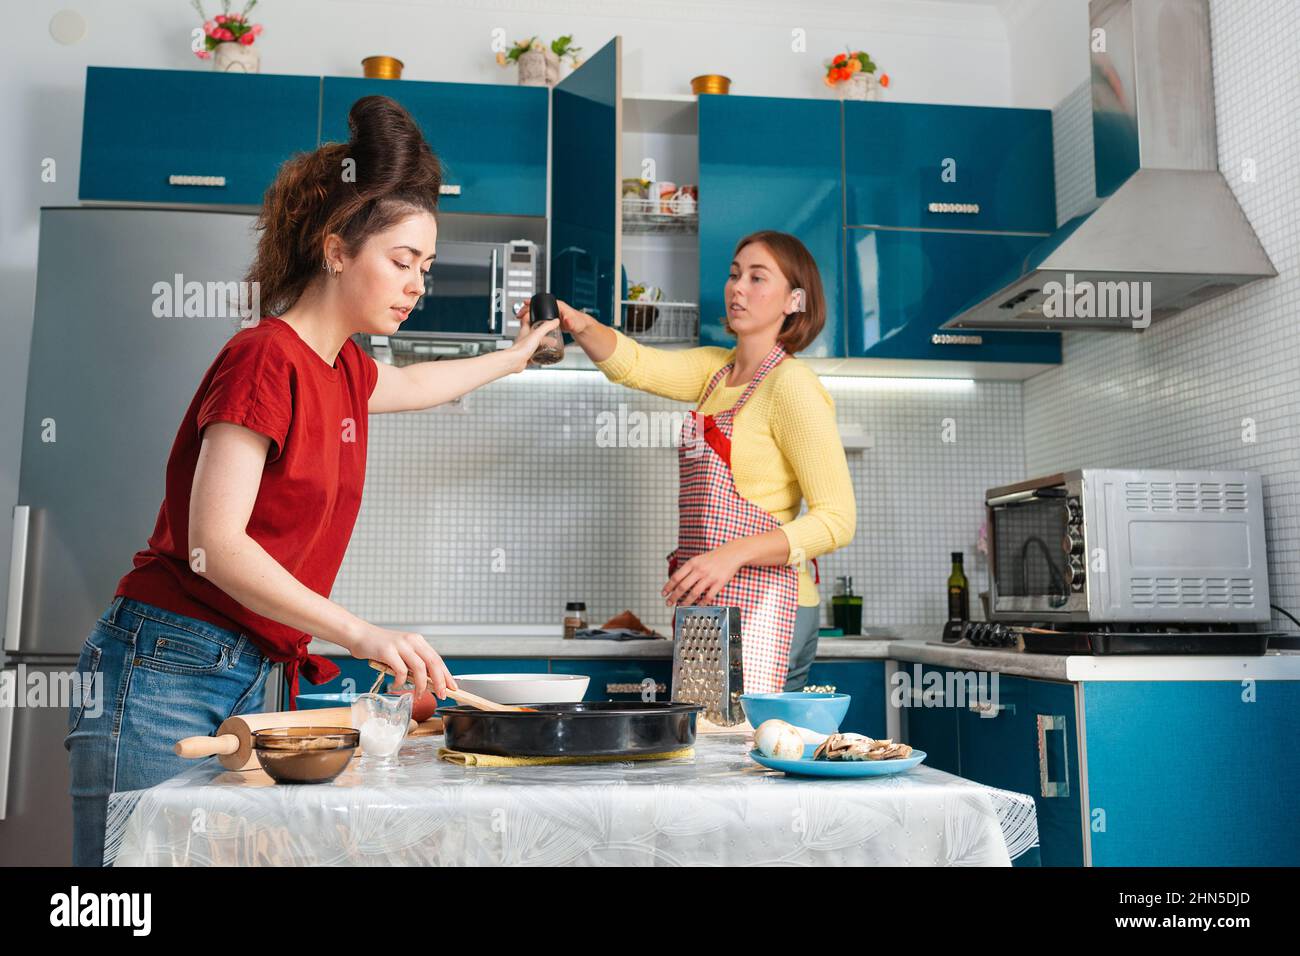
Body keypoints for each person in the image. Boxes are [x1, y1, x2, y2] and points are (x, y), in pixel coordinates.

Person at [63, 95, 560, 866]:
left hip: (249, 668)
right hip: (168, 664)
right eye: (401, 262)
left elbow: (425, 384)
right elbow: (213, 547)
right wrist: (362, 632)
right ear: (336, 251)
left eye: (424, 268)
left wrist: (518, 355)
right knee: (121, 895)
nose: (416, 285)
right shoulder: (266, 356)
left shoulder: (344, 368)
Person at [520, 230, 856, 695]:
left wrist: (729, 557)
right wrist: (577, 323)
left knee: (753, 750)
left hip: (769, 605)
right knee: (719, 748)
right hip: (712, 607)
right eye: (735, 274)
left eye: (758, 278)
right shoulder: (716, 372)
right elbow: (635, 364)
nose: (738, 288)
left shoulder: (792, 385)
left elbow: (837, 521)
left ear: (794, 300)